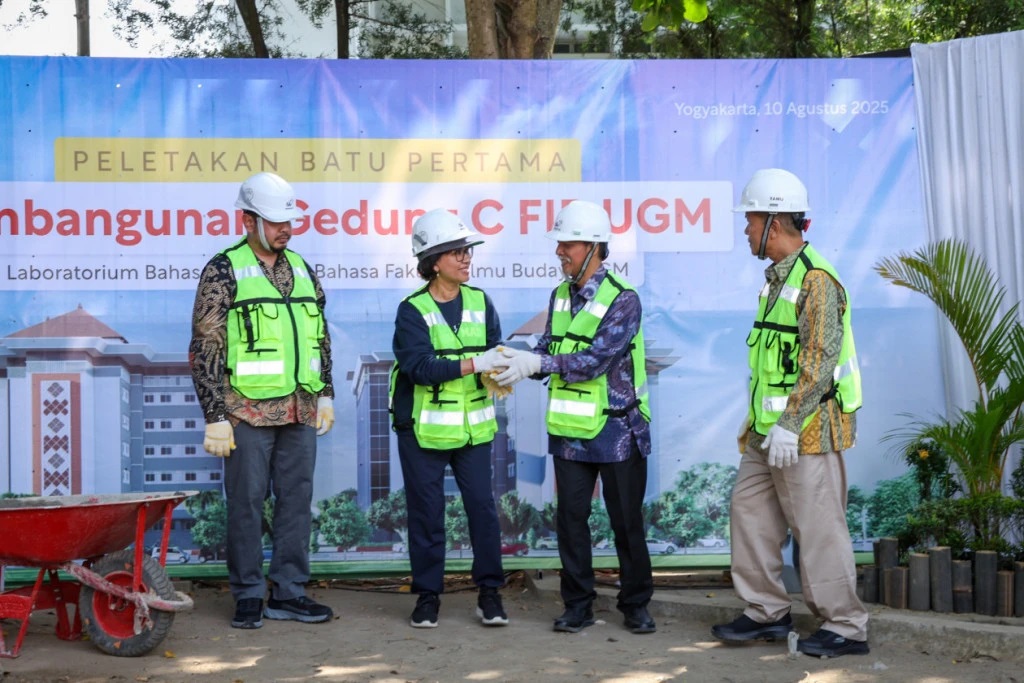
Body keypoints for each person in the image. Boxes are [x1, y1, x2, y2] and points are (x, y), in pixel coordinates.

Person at [711, 168, 868, 657]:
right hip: (768, 431)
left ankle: (846, 626)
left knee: (818, 528)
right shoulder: (775, 281)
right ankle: (766, 612)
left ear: (774, 223)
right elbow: (771, 362)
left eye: (750, 220)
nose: (745, 230)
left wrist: (788, 422)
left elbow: (819, 360)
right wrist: (762, 420)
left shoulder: (816, 281)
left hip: (807, 430)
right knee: (750, 513)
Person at [495, 200, 656, 635]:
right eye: (559, 243)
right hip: (570, 432)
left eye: (567, 243)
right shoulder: (559, 296)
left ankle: (636, 605)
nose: (559, 251)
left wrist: (539, 365)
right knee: (570, 522)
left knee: (626, 524)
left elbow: (595, 360)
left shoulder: (623, 300)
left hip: (618, 430)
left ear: (593, 247)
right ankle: (578, 605)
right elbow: (550, 349)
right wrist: (517, 361)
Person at [189, 171, 335, 630]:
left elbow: (320, 336)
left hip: (300, 410)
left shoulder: (303, 268)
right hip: (244, 412)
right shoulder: (224, 269)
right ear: (248, 220)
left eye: (288, 220)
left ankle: (290, 592)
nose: (285, 228)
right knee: (247, 502)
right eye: (274, 221)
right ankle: (249, 593)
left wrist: (326, 391)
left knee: (296, 500)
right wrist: (215, 416)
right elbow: (205, 345)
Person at [390, 208, 509, 629]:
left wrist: (501, 371)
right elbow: (419, 368)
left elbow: (494, 350)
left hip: (474, 428)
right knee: (426, 514)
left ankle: (490, 594)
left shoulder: (480, 301)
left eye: (467, 251)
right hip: (422, 430)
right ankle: (427, 597)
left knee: (482, 509)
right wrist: (479, 362)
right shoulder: (412, 311)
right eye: (457, 252)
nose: (466, 258)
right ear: (434, 261)